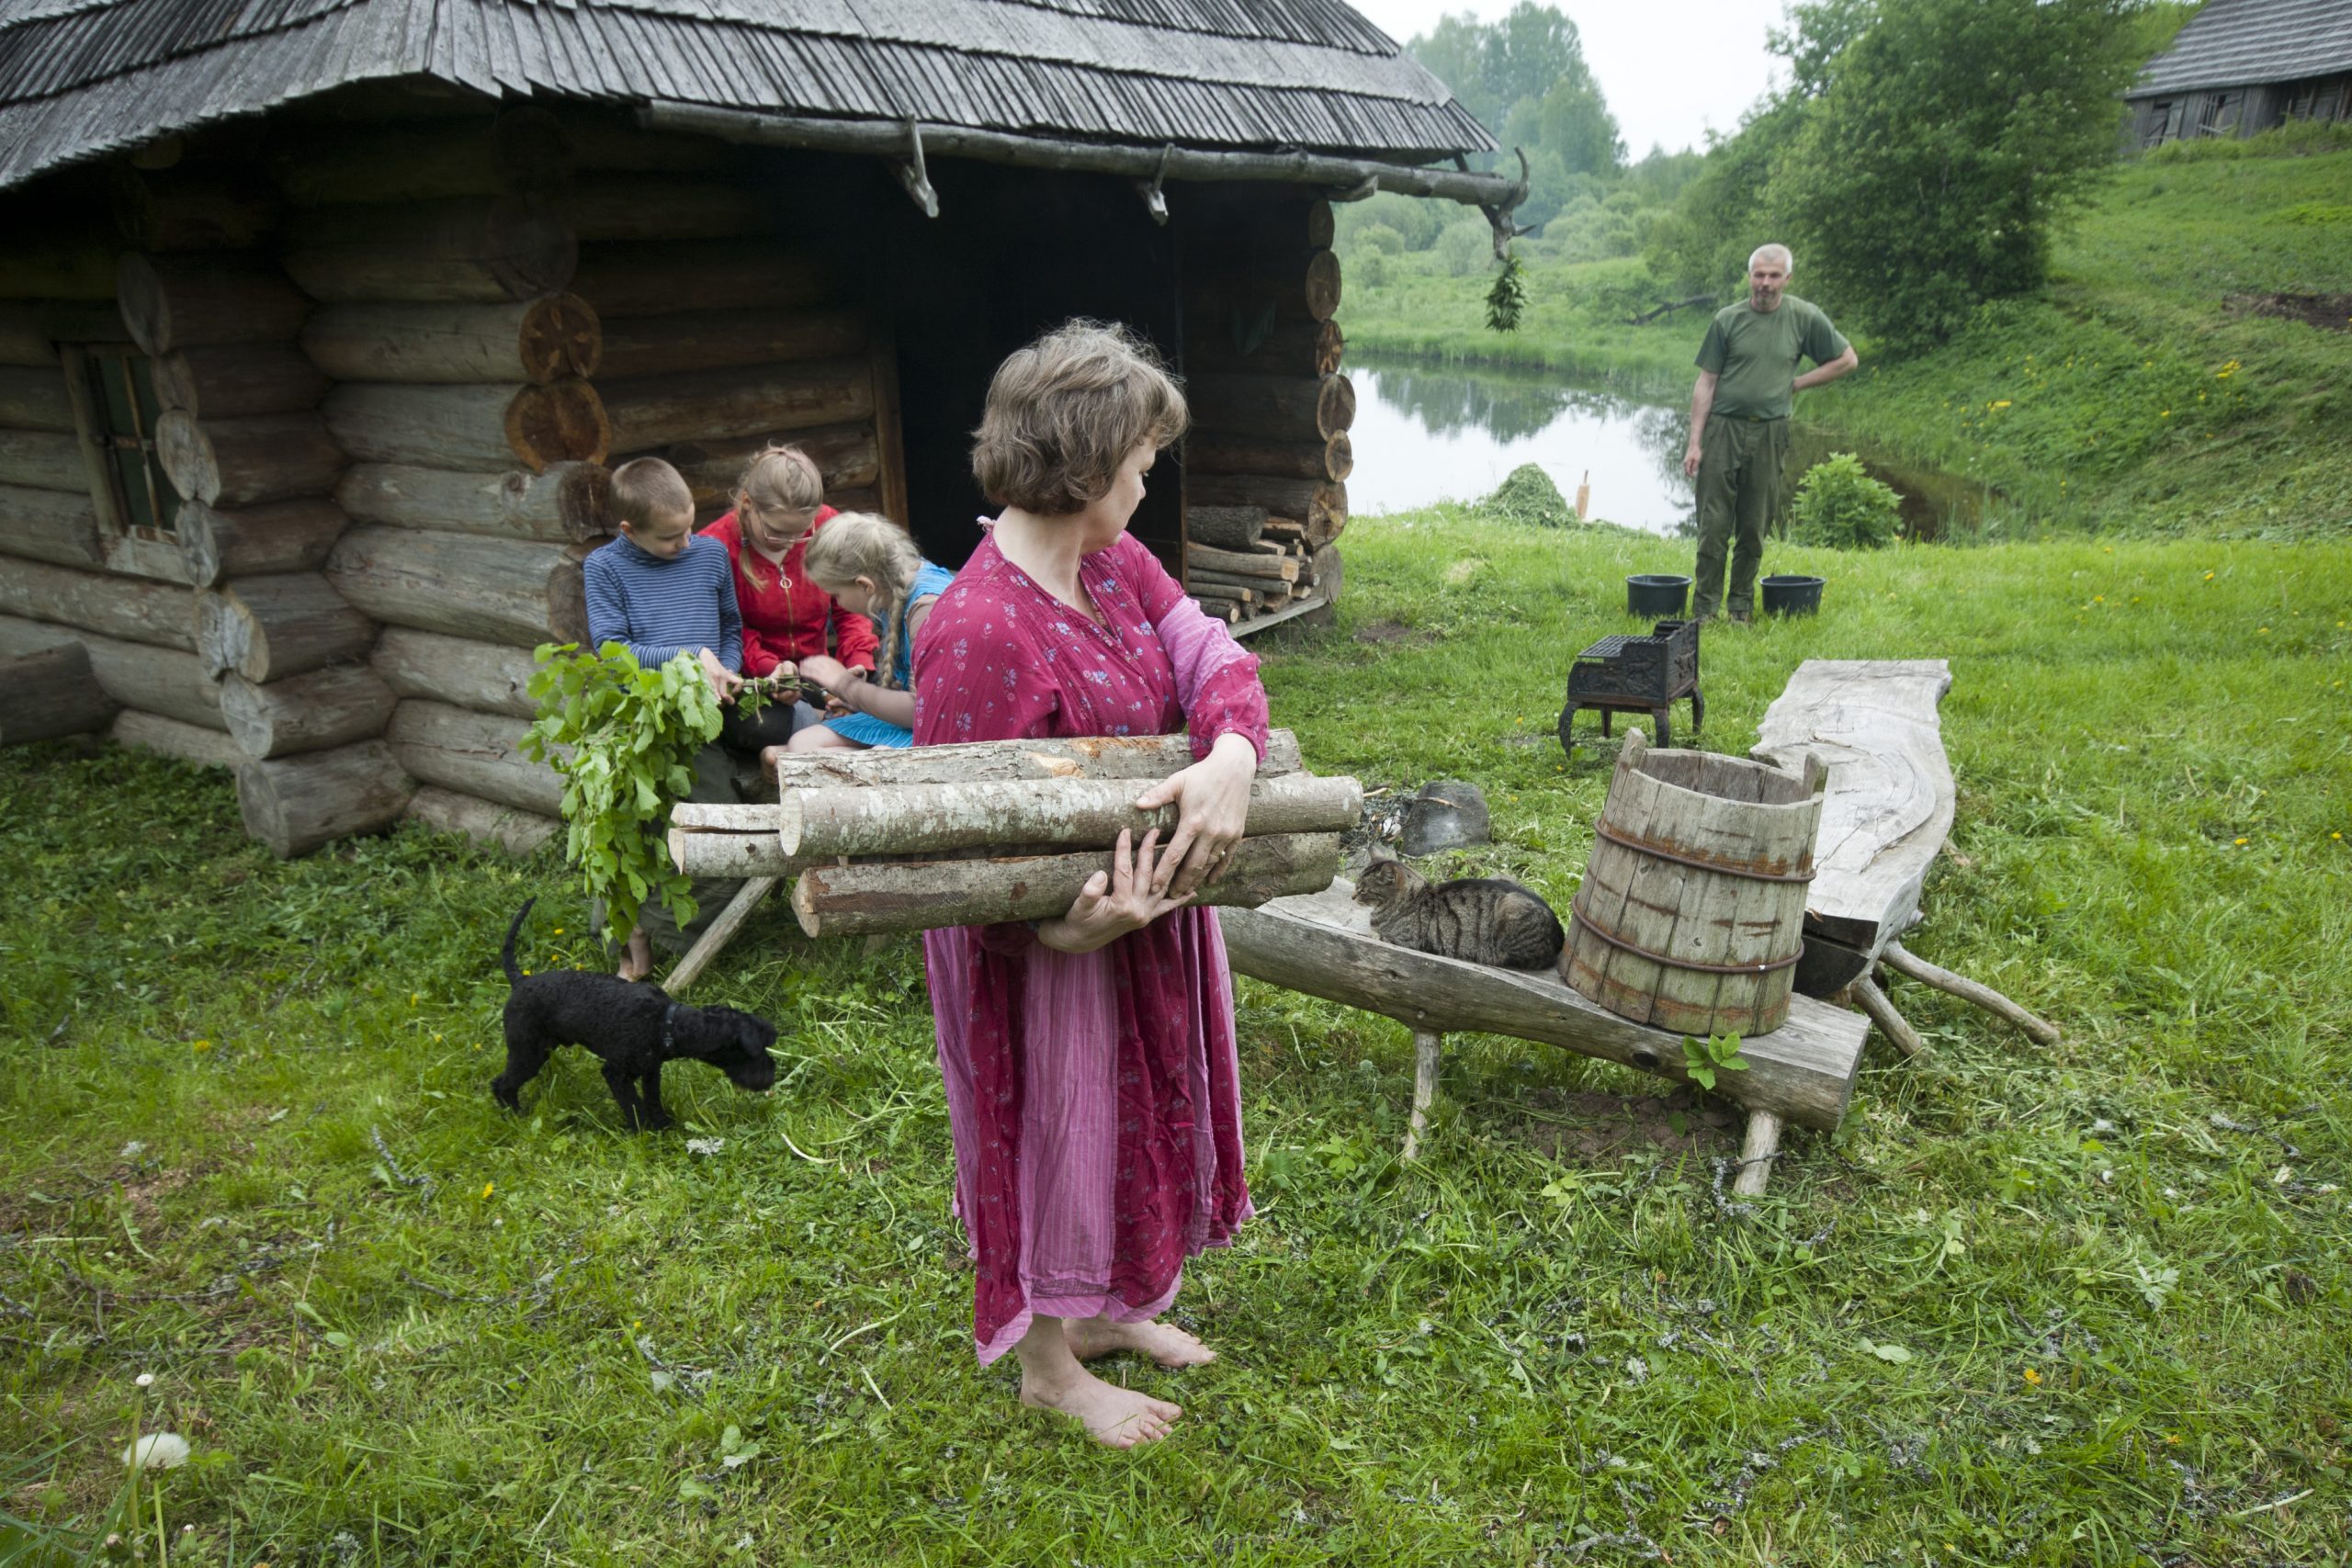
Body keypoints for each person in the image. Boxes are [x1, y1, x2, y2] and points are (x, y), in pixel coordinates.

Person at [914, 321, 1266, 1450]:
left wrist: (1229, 755)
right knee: (1053, 1120)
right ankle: (1049, 1367)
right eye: (1141, 458)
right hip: (1042, 948)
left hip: (1144, 916)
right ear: (1085, 461)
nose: (1149, 476)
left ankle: (1106, 1310)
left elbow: (1208, 648)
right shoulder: (979, 629)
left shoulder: (1112, 562)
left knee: (1130, 1114)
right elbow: (958, 856)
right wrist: (1053, 941)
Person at [581, 457, 750, 980]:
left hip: (702, 720)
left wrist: (726, 671)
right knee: (635, 830)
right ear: (629, 530)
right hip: (639, 721)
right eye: (670, 538)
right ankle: (631, 932)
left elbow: (730, 628)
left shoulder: (711, 555)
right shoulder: (605, 568)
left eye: (691, 527)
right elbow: (611, 649)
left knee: (711, 827)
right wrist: (687, 658)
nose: (686, 544)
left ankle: (675, 934)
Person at [1681, 243, 1860, 622]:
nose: (1765, 282)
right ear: (1750, 277)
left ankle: (1740, 607)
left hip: (1770, 434)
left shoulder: (1803, 317)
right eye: (1759, 274)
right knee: (1712, 525)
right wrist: (1694, 442)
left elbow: (1847, 359)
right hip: (1722, 431)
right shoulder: (1727, 320)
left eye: (1774, 275)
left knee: (1753, 524)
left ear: (1787, 279)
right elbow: (1705, 382)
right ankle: (1704, 609)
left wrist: (1796, 384)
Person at [699, 444, 881, 761]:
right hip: (761, 683)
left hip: (828, 671)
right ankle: (830, 728)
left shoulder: (828, 525)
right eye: (778, 533)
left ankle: (812, 734)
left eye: (802, 533)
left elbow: (851, 606)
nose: (791, 543)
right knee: (751, 725)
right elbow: (730, 629)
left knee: (890, 687)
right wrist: (772, 670)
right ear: (747, 505)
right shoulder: (715, 547)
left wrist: (857, 662)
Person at [784, 510, 955, 755]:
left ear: (865, 585)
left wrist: (846, 686)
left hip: (944, 730)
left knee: (809, 753)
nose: (838, 604)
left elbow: (921, 711)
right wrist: (860, 699)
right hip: (918, 723)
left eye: (836, 595)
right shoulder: (897, 586)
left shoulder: (925, 609)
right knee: (803, 744)